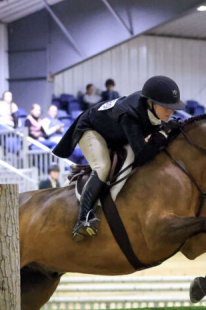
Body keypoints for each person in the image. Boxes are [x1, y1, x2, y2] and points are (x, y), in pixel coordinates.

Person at [53, 75, 185, 239]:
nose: (171, 111)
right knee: (103, 166)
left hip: (116, 133)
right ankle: (83, 219)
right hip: (91, 129)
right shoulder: (130, 115)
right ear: (151, 103)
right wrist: (164, 133)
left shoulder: (150, 110)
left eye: (173, 107)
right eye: (166, 106)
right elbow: (143, 155)